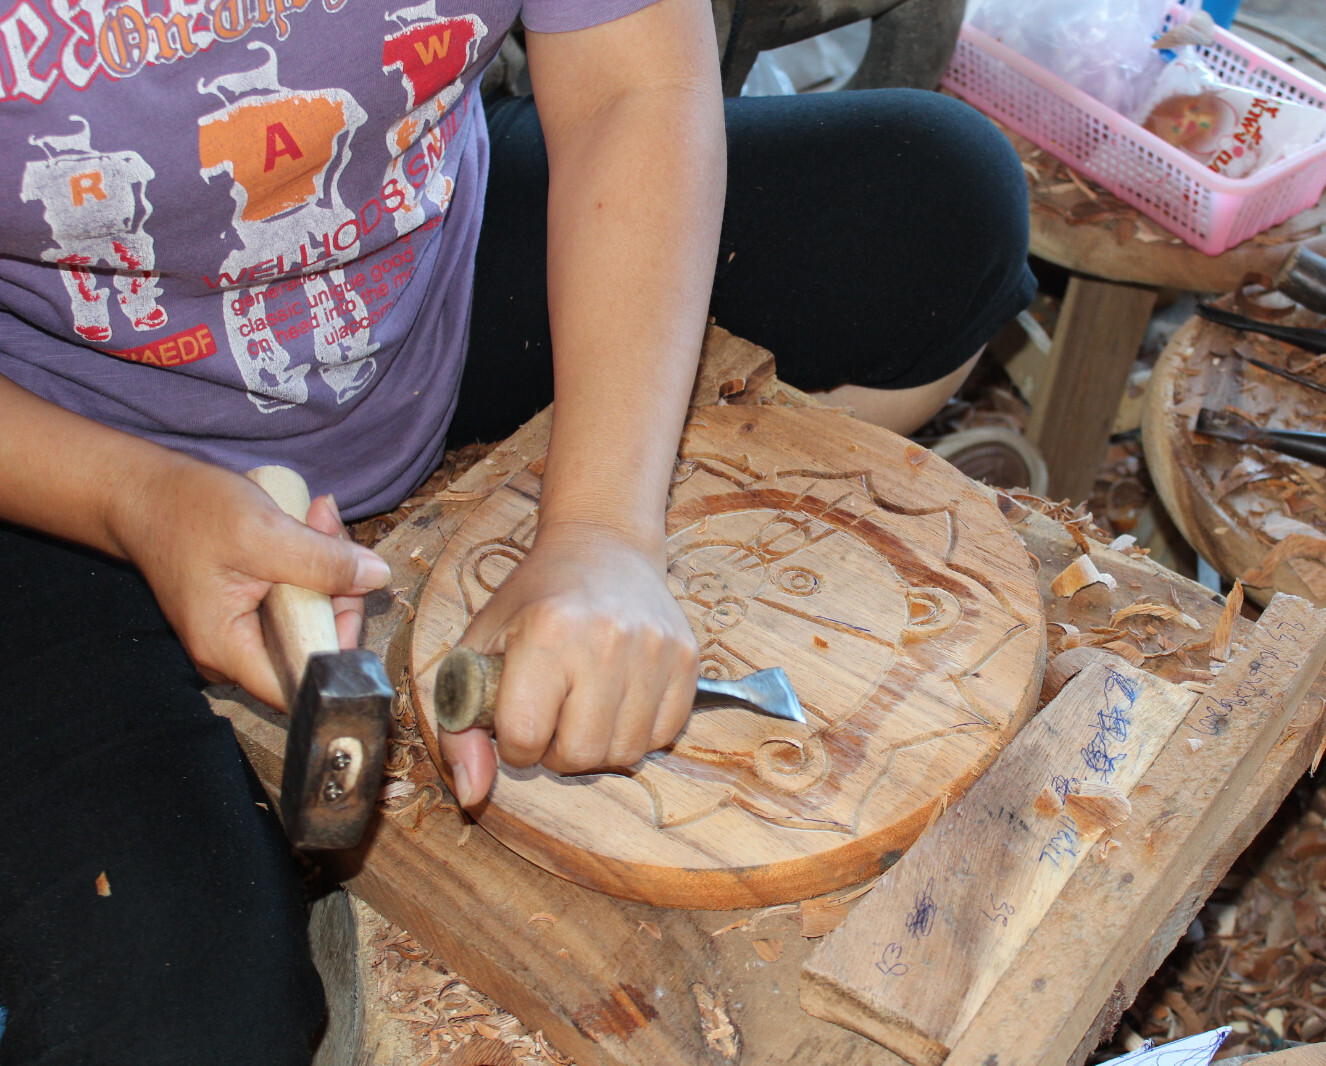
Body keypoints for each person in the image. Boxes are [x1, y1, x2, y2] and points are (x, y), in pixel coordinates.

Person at [0, 0, 1035, 1061]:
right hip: (56, 452)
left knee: (936, 201)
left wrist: (603, 527)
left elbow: (635, 86)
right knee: (171, 1024)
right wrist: (130, 498)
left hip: (419, 289)